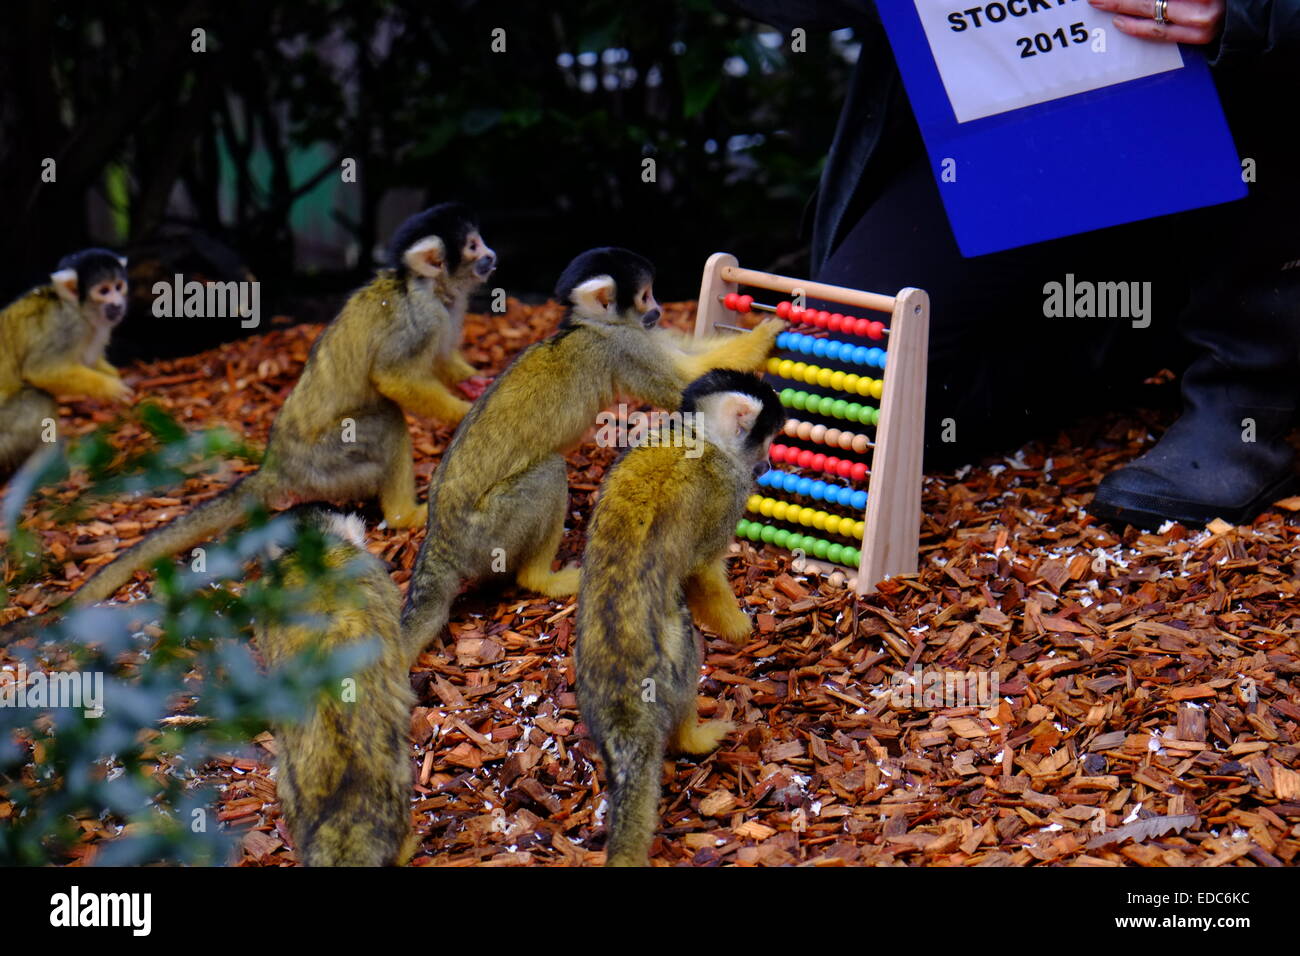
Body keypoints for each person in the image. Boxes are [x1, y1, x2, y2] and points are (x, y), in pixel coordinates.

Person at [722, 0, 1300, 527]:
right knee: (855, 400)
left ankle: (1244, 393)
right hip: (1008, 119)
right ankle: (1137, 326)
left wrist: (1250, 11)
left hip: (1239, 106)